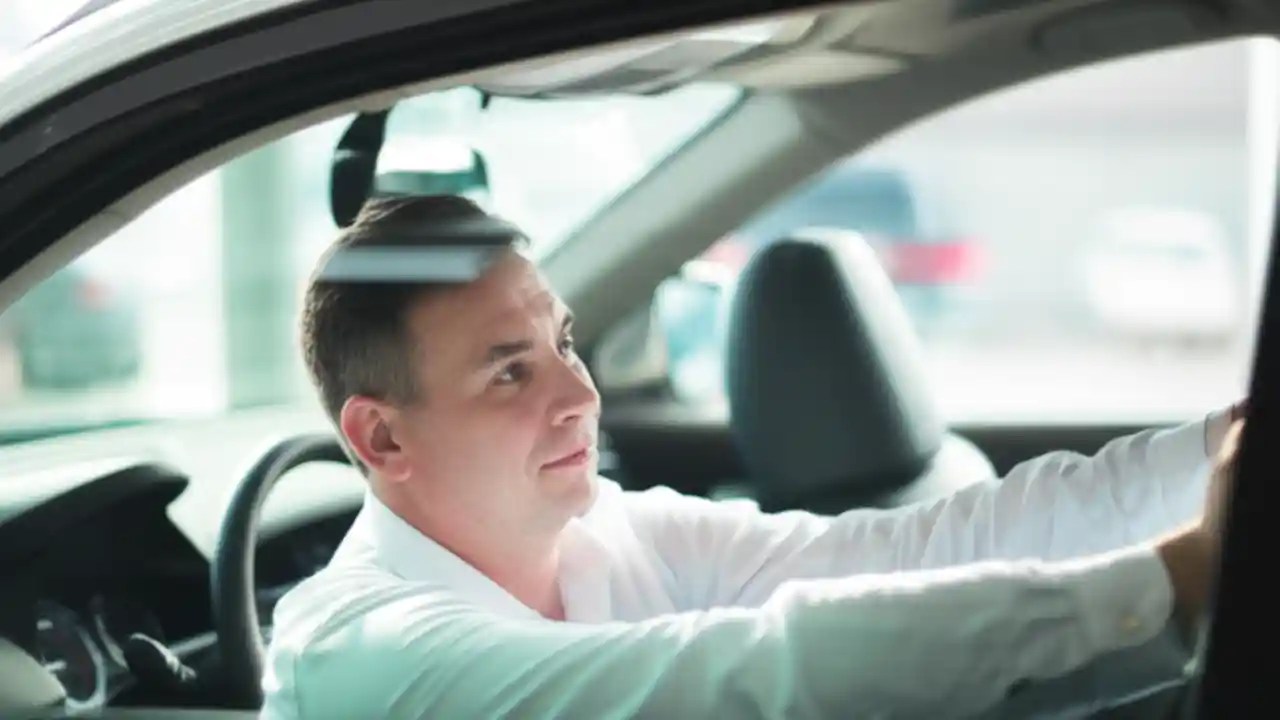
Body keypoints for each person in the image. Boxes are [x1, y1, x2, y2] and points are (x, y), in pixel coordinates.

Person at [261, 194, 1247, 719]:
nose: (579, 394)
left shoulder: (607, 531)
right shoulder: (369, 658)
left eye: (563, 343)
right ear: (379, 437)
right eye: (509, 375)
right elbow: (758, 673)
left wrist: (1222, 447)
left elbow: (911, 553)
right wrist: (1180, 578)